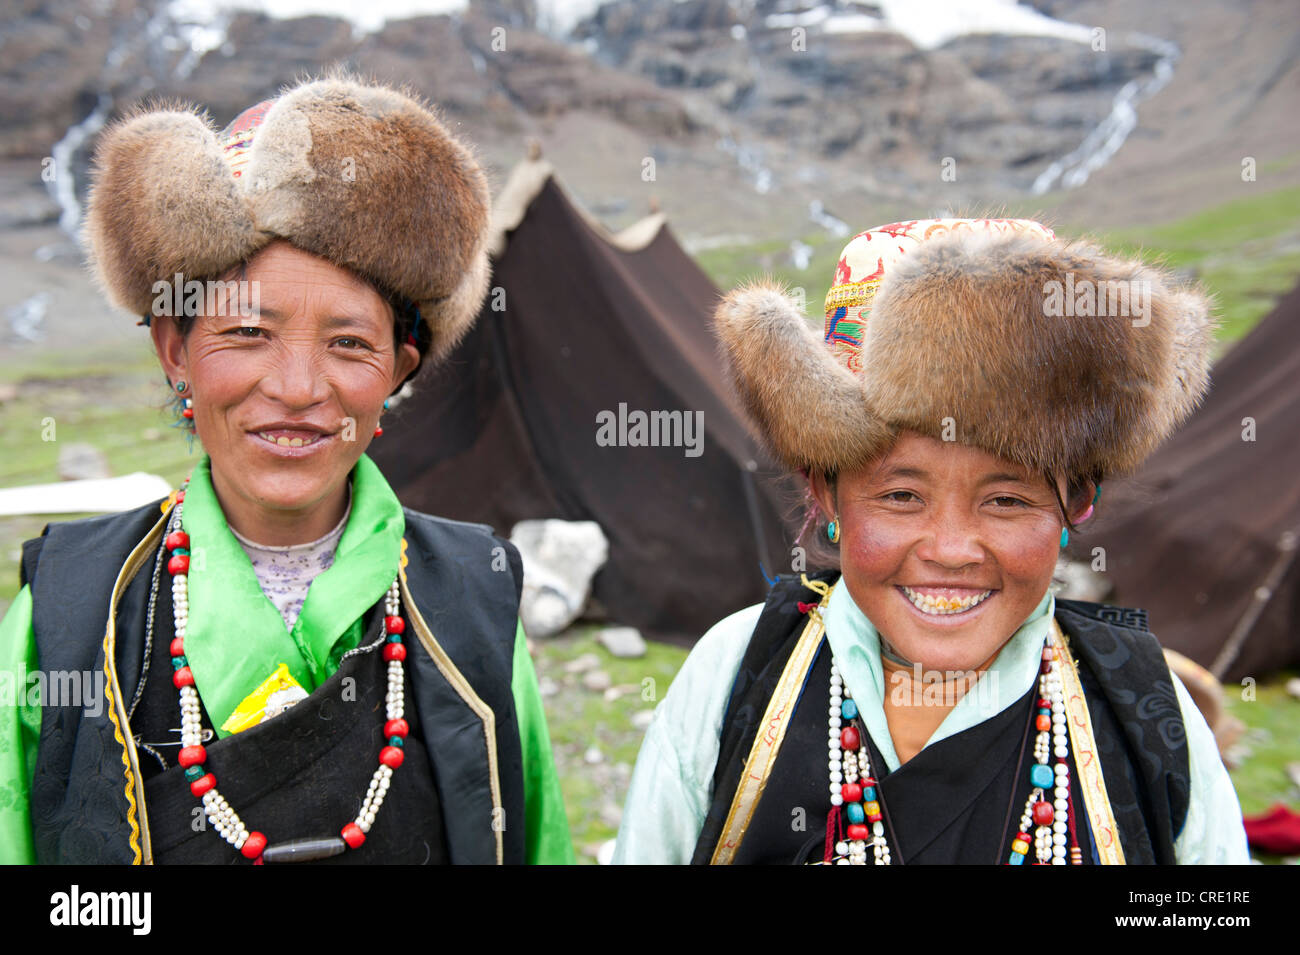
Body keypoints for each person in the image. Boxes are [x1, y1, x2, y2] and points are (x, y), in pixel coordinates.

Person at [0, 76, 573, 865]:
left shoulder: (476, 599)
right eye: (247, 331)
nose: (299, 389)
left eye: (349, 343)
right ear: (177, 353)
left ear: (398, 371)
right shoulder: (63, 614)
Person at [614, 217, 1249, 864]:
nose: (950, 548)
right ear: (826, 491)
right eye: (900, 495)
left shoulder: (1147, 713)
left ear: (1078, 500)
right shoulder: (734, 676)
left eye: (1005, 499)